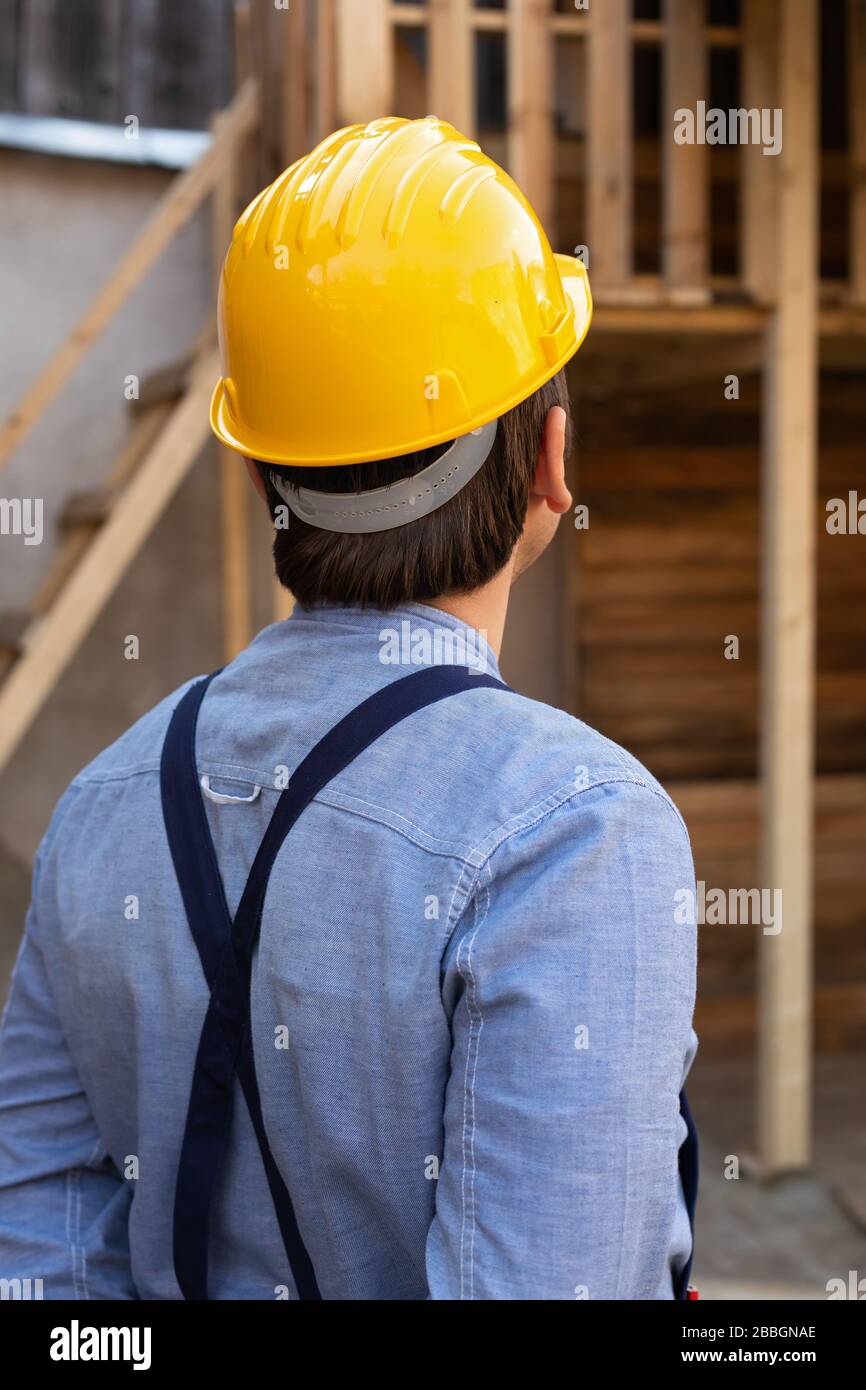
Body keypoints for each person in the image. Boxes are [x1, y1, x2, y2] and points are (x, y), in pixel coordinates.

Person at [0, 117, 697, 1301]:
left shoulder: (101, 804)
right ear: (548, 465)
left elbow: (43, 1265)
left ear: (267, 471)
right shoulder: (573, 830)